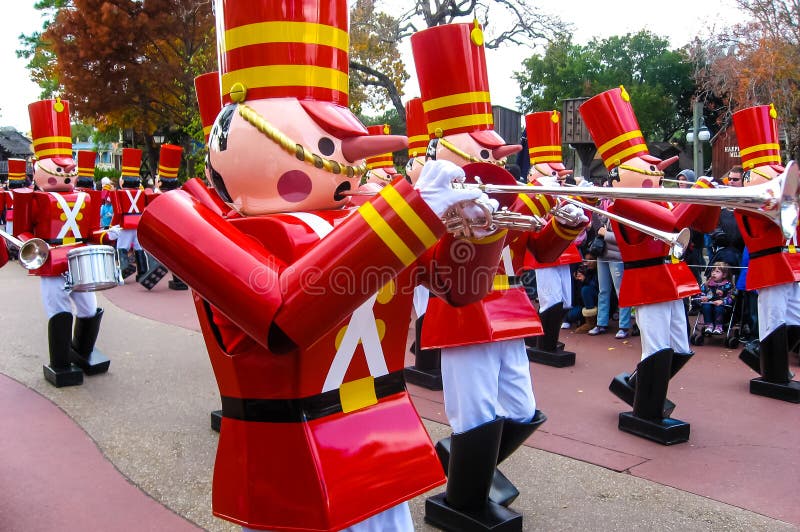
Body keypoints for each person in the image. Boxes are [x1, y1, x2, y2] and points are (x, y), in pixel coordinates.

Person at [139, 3, 507, 530]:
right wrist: (409, 209)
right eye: (331, 143)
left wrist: (482, 229)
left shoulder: (364, 219)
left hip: (380, 434)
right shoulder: (191, 223)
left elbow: (459, 289)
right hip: (289, 453)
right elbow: (288, 317)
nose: (354, 159)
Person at [412, 22, 586, 531]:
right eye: (483, 151)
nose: (494, 160)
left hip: (509, 309)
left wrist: (562, 224)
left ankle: (463, 468)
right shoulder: (425, 198)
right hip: (462, 312)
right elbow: (431, 261)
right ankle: (465, 496)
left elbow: (535, 249)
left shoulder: (509, 193)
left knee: (523, 409)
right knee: (477, 413)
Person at [580, 86, 719, 445]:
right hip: (647, 279)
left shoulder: (658, 198)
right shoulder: (628, 201)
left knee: (681, 349)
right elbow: (674, 226)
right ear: (620, 173)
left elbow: (702, 226)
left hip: (669, 275)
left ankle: (637, 388)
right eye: (649, 169)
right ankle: (646, 407)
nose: (657, 174)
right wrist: (698, 193)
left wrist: (711, 199)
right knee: (657, 347)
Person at [10, 98, 115, 387]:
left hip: (80, 258)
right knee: (58, 308)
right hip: (51, 258)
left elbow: (93, 230)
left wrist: (109, 235)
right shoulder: (27, 197)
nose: (67, 175)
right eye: (59, 170)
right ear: (39, 168)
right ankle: (60, 362)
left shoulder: (87, 195)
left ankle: (81, 351)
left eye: (69, 170)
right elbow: (21, 232)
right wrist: (32, 248)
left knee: (89, 307)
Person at [731, 104, 799, 402]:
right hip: (767, 265)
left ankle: (766, 360)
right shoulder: (748, 203)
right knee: (772, 320)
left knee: (792, 318)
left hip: (786, 263)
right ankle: (772, 371)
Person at [589, 197, 634, 339]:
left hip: (617, 257)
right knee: (603, 290)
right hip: (602, 255)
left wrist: (605, 233)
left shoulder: (626, 214)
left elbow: (625, 239)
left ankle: (624, 325)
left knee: (621, 291)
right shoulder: (605, 210)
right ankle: (601, 323)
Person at [564, 252, 599, 333]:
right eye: (586, 260)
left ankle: (591, 322)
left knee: (586, 290)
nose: (588, 262)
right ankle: (583, 320)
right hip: (582, 305)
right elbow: (577, 296)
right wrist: (577, 281)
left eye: (591, 259)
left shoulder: (600, 271)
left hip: (597, 305)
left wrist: (585, 280)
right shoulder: (583, 270)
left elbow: (596, 288)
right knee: (571, 316)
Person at [698, 262, 735, 335]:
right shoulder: (707, 284)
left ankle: (719, 326)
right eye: (713, 271)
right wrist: (702, 297)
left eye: (717, 271)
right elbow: (700, 292)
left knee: (718, 308)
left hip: (723, 306)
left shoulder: (728, 285)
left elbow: (732, 296)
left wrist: (723, 301)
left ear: (724, 275)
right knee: (706, 306)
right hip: (709, 304)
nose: (714, 273)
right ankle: (709, 325)